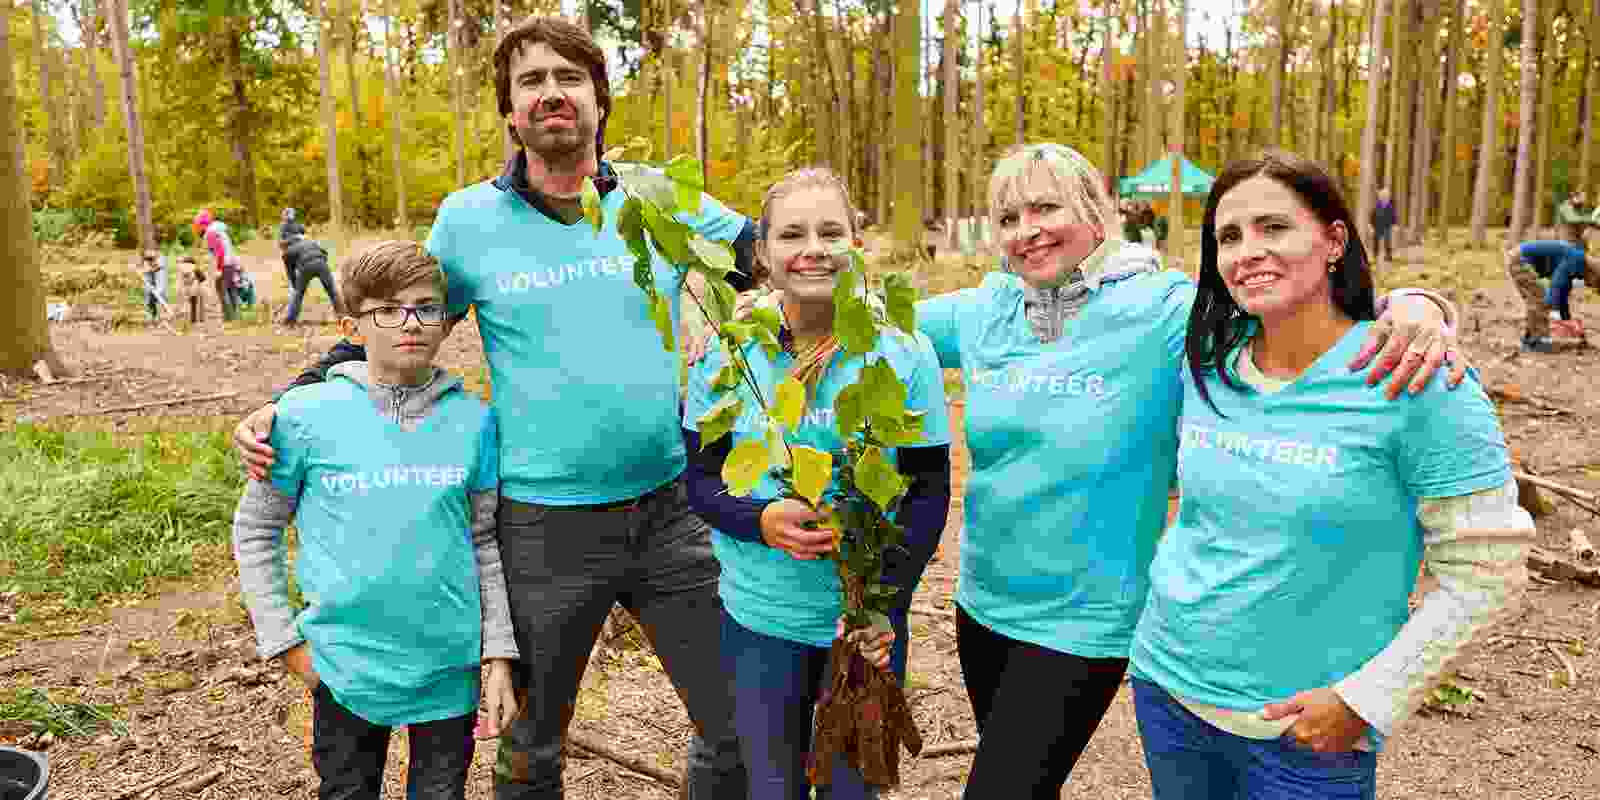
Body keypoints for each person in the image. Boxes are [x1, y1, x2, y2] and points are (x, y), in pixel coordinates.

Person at [713, 144, 1464, 799]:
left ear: (1096, 212)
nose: (1027, 230)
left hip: (1087, 621)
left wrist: (1417, 304)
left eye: (1046, 208)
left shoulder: (1162, 310)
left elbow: (1291, 306)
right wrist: (757, 310)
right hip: (986, 607)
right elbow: (862, 313)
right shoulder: (986, 311)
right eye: (1009, 218)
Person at [232, 16, 759, 800]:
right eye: (530, 81)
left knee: (735, 726)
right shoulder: (469, 221)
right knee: (531, 744)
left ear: (600, 99)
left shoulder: (658, 197)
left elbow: (770, 256)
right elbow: (399, 324)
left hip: (672, 512)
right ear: (510, 111)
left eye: (569, 77)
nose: (552, 93)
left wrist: (805, 295)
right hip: (545, 528)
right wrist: (287, 401)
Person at [1128, 149, 1534, 800]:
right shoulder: (1207, 362)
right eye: (1229, 236)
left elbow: (1490, 571)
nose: (1248, 251)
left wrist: (1368, 699)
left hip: (1307, 734)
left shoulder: (1413, 377)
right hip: (1168, 691)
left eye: (1274, 227)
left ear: (1334, 240)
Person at [683, 167, 953, 799]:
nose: (813, 249)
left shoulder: (900, 350)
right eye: (792, 234)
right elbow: (701, 481)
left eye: (831, 232)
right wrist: (760, 520)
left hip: (862, 626)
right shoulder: (730, 353)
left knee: (853, 788)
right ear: (762, 253)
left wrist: (885, 603)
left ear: (855, 242)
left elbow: (928, 490)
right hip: (760, 620)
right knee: (772, 786)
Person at [231, 241, 520, 799]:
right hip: (344, 668)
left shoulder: (476, 422)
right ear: (352, 327)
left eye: (425, 307)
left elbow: (483, 541)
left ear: (445, 321)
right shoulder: (302, 417)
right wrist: (284, 640)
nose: (409, 323)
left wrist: (499, 654)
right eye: (387, 310)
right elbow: (256, 528)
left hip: (449, 671)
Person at [1504, 239, 1599, 351]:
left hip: (1519, 259)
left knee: (1538, 299)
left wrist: (1567, 319)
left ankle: (1531, 339)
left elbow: (1562, 297)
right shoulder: (1575, 260)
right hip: (1520, 260)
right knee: (1540, 299)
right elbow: (1556, 286)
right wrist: (1561, 319)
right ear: (1593, 275)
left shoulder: (1577, 264)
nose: (1590, 285)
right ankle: (1536, 341)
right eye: (1594, 285)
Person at [281, 233, 344, 325]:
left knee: (298, 294)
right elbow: (324, 253)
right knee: (332, 291)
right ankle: (343, 316)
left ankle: (290, 320)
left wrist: (295, 285)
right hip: (321, 264)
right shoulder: (311, 242)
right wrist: (322, 265)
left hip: (305, 266)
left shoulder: (288, 251)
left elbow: (290, 272)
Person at [194, 209, 242, 321]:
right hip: (231, 262)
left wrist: (219, 269)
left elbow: (219, 251)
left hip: (224, 264)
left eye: (198, 226)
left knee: (221, 290)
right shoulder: (219, 230)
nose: (198, 229)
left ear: (203, 224)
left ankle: (229, 318)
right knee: (231, 289)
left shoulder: (210, 233)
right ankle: (236, 316)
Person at [133, 248, 168, 324]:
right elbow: (139, 262)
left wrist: (145, 270)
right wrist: (138, 267)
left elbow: (158, 267)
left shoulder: (159, 258)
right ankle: (151, 317)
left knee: (159, 291)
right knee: (148, 293)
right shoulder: (144, 257)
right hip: (148, 259)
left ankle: (163, 315)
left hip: (157, 261)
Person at [1370, 188, 1397, 264]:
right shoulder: (1376, 205)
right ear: (1380, 197)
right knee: (1375, 241)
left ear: (1388, 196)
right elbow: (1372, 215)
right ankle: (1375, 256)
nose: (1384, 197)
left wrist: (1394, 225)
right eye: (1382, 196)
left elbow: (1393, 216)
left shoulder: (1390, 206)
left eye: (1386, 196)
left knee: (1387, 241)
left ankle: (1388, 256)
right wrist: (1371, 226)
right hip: (1377, 225)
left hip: (1387, 226)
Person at [179, 256, 207, 324]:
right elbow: (203, 278)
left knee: (193, 305)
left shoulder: (184, 269)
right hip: (195, 289)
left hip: (191, 289)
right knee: (198, 304)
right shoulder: (195, 268)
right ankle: (199, 319)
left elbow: (182, 280)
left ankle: (194, 319)